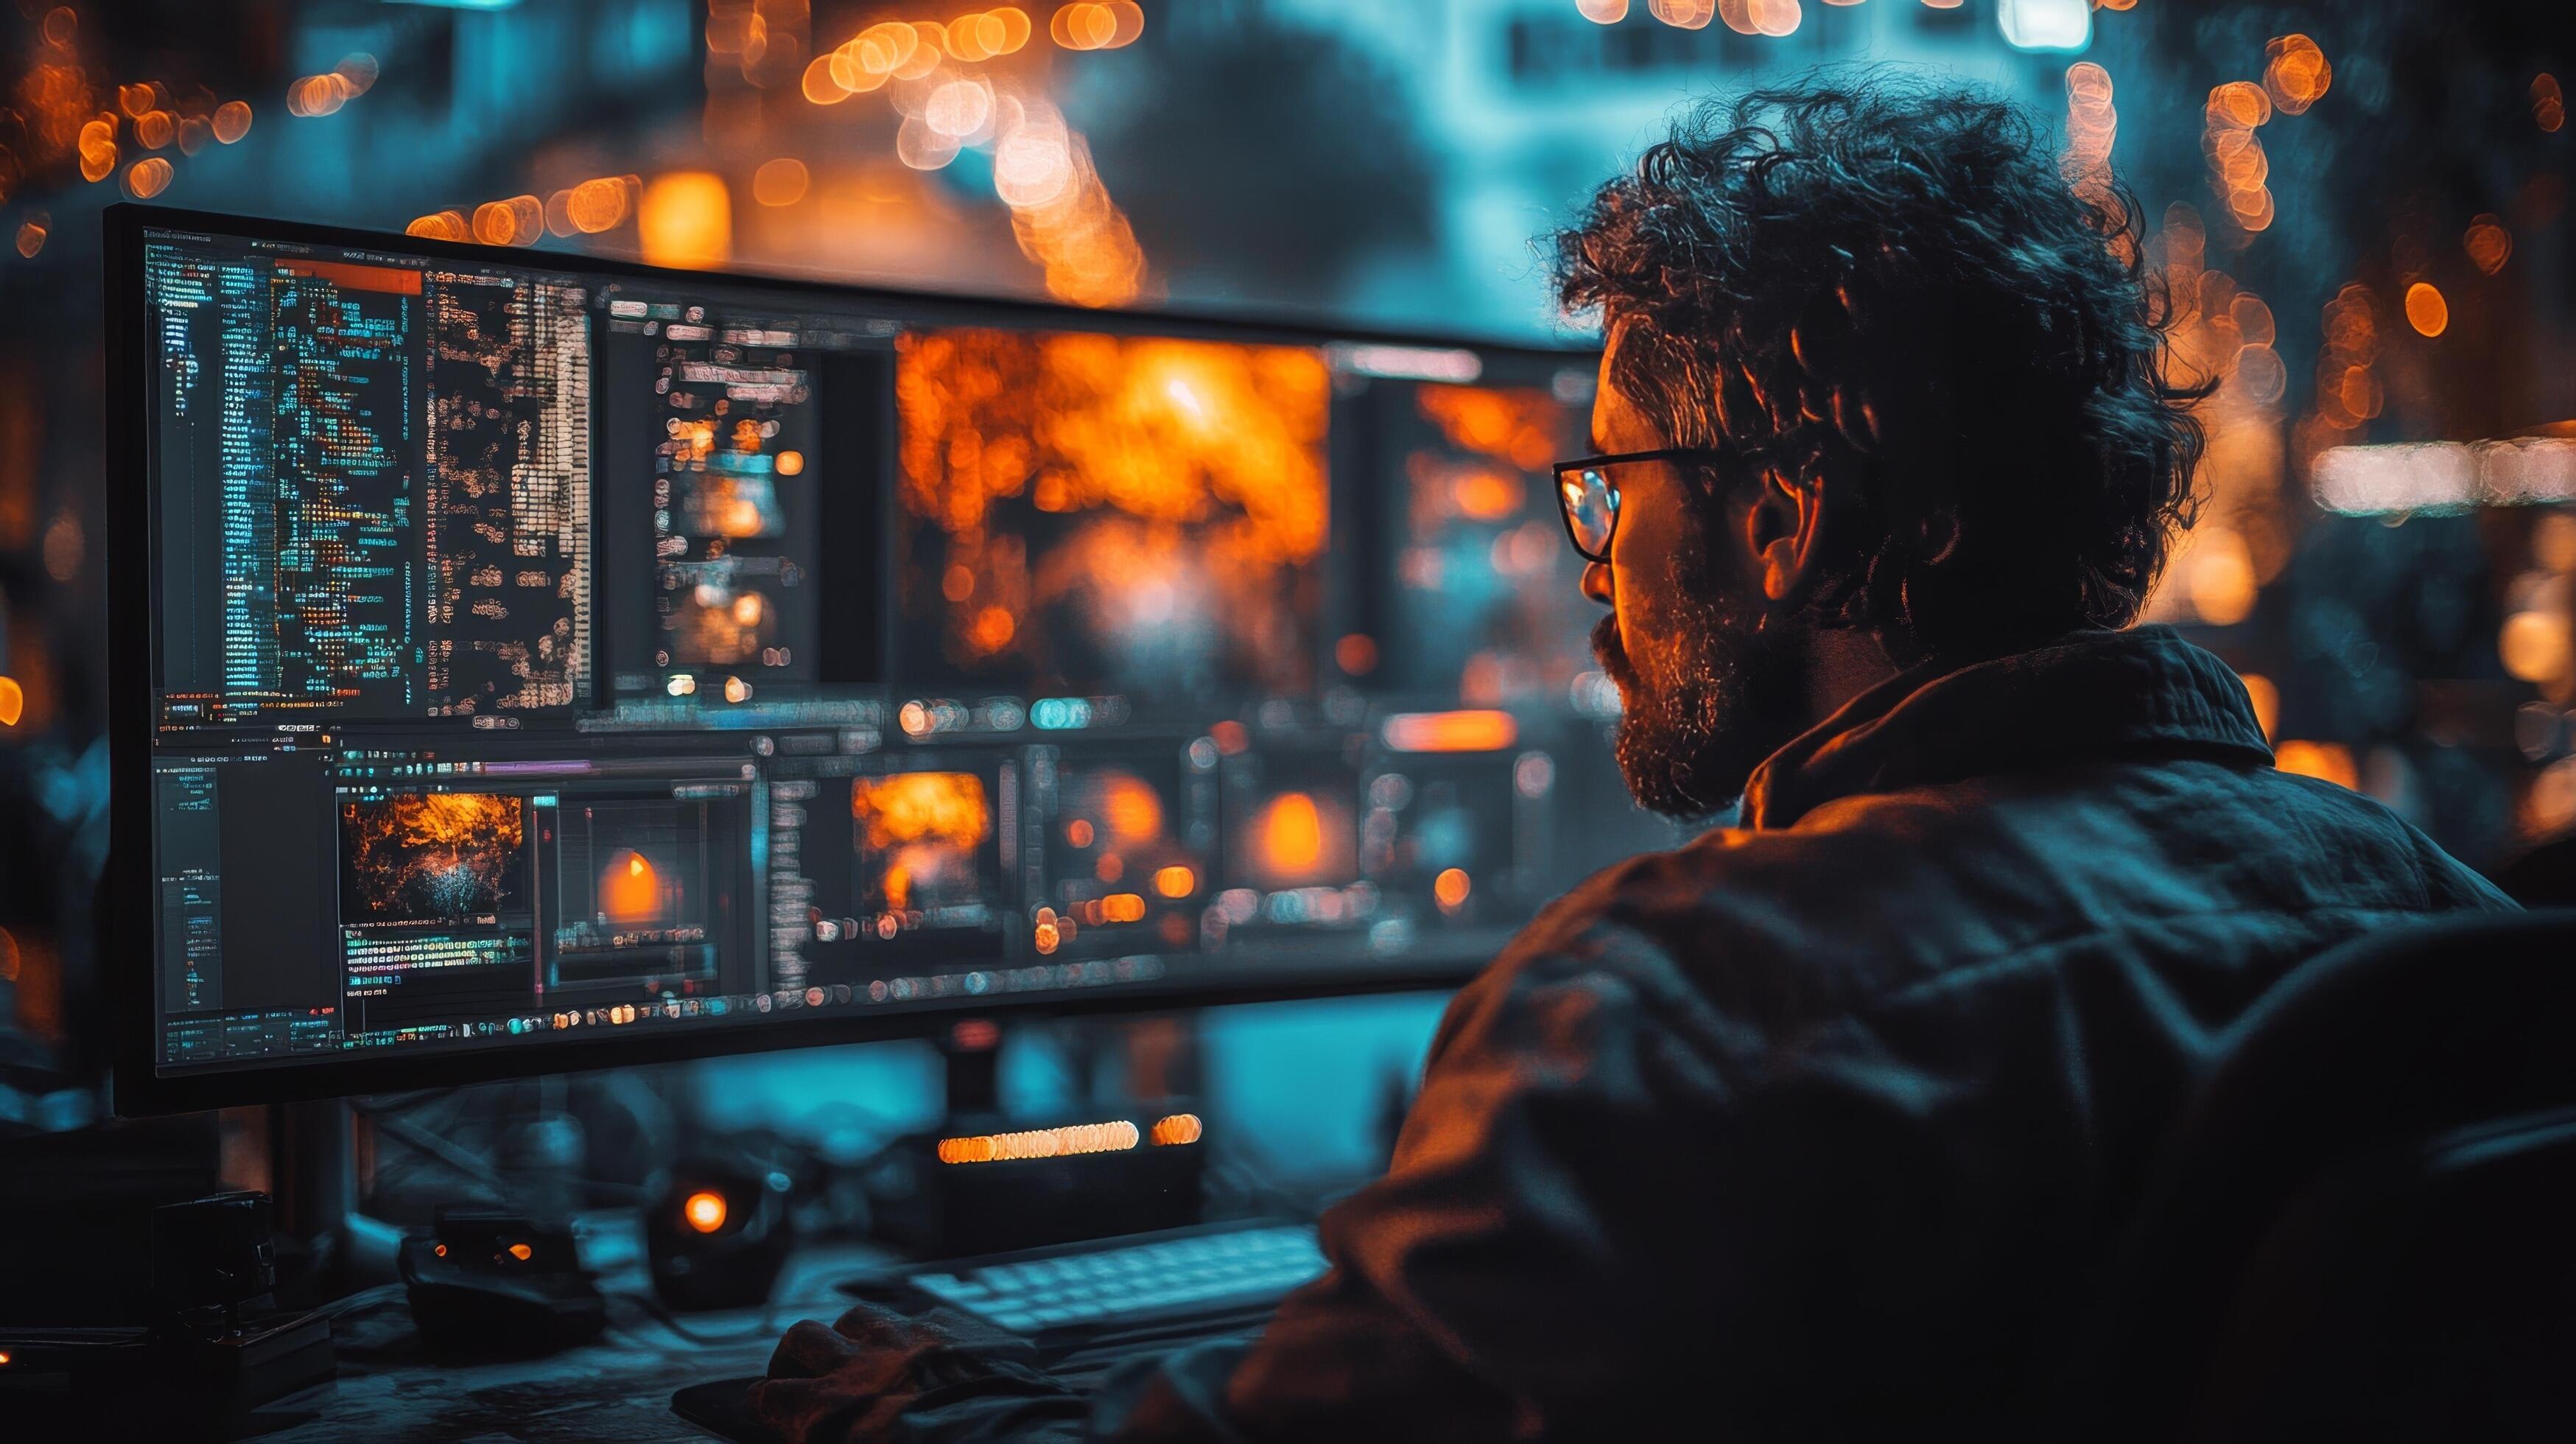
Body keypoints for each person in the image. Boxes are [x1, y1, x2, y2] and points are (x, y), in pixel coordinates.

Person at [753, 76, 2515, 1441]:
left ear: (1781, 519)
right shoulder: (2433, 917)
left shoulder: (1683, 1007)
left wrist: (928, 1400)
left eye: (1614, 488)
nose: (1593, 573)